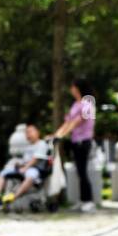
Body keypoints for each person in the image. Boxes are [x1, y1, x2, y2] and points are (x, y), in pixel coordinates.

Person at [50, 79, 98, 212]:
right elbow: (68, 122)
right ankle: (82, 200)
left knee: (83, 171)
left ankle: (88, 201)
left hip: (84, 141)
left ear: (77, 88)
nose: (71, 89)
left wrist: (61, 135)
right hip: (76, 141)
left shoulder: (88, 101)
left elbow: (78, 121)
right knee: (79, 171)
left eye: (72, 87)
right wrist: (57, 134)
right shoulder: (75, 104)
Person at [0, 123, 51, 205]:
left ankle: (14, 196)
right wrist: (18, 165)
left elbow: (35, 159)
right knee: (4, 172)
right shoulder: (28, 147)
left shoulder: (42, 144)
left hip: (35, 169)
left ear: (38, 132)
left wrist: (25, 168)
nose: (28, 134)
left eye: (30, 132)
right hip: (24, 168)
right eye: (27, 133)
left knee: (31, 175)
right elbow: (25, 160)